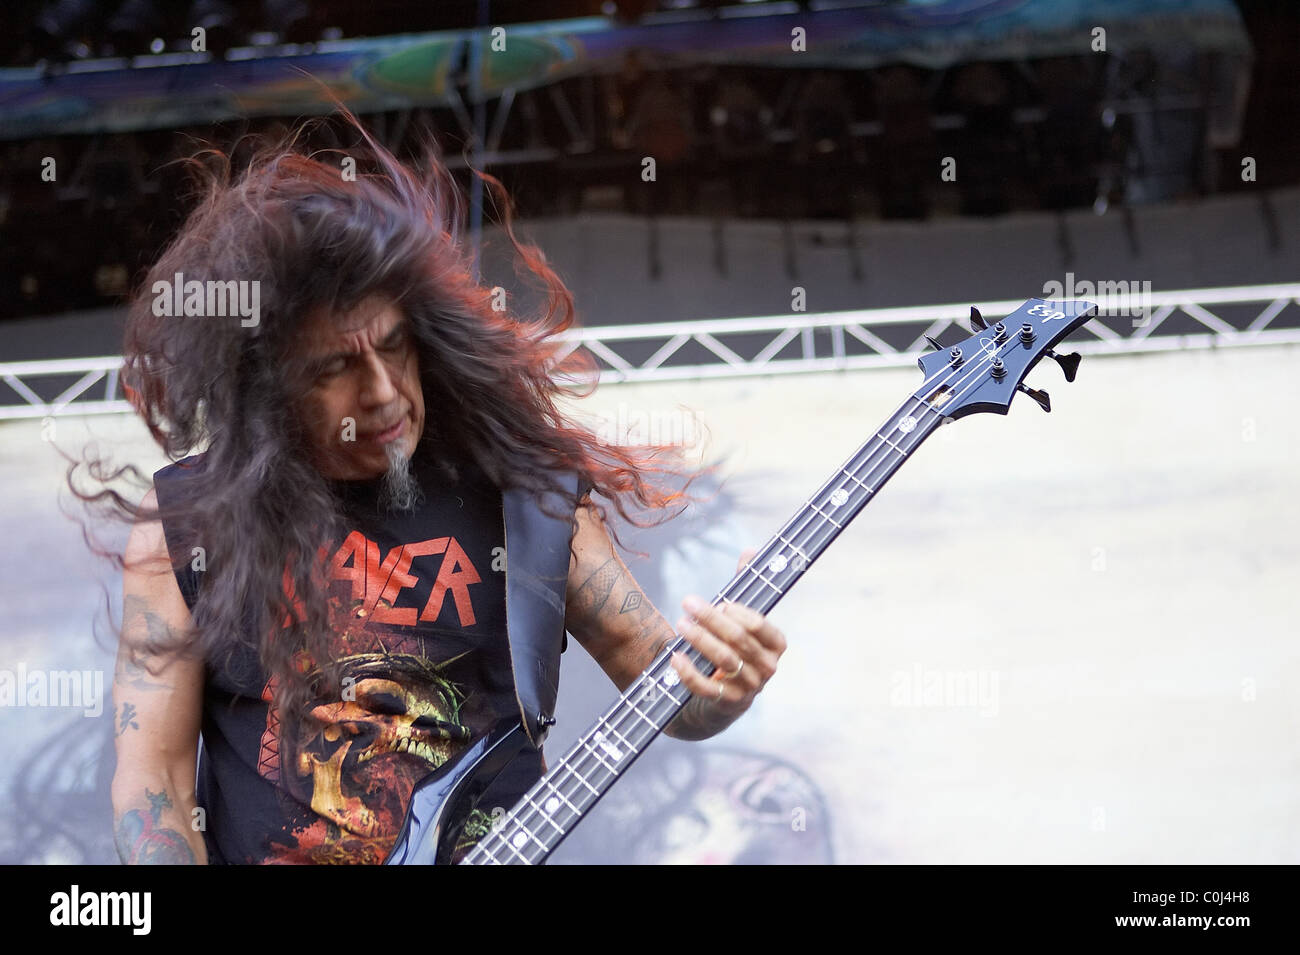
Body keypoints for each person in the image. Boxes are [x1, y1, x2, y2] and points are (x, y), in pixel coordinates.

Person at [95, 115, 787, 864]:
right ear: (263, 389)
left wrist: (723, 688)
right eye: (335, 368)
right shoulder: (186, 529)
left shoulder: (524, 492)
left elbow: (663, 678)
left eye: (396, 347)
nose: (385, 392)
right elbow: (151, 778)